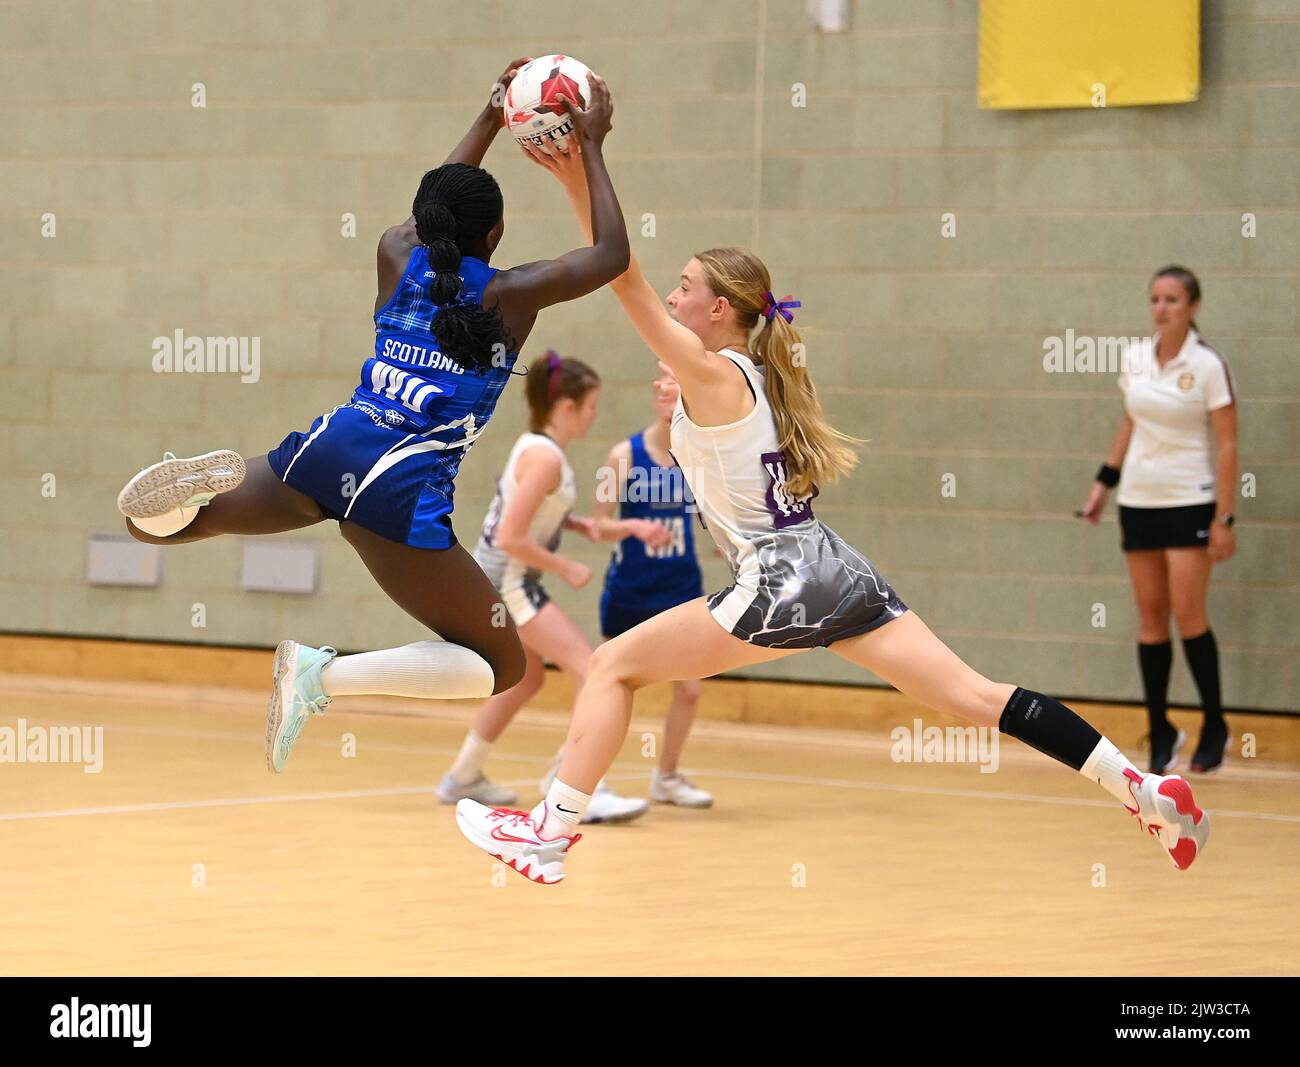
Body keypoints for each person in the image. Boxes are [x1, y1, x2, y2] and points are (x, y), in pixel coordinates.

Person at [454, 144, 1211, 885]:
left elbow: (620, 272)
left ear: (718, 310)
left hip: (782, 577)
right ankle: (1140, 789)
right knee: (979, 695)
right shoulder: (749, 371)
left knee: (614, 666)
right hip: (833, 567)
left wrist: (586, 162)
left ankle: (548, 834)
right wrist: (581, 171)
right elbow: (622, 267)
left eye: (686, 288)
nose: (675, 297)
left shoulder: (713, 372)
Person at [115, 63, 631, 774]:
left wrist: (486, 115)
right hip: (393, 489)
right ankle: (318, 676)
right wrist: (594, 142)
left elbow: (433, 205)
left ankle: (191, 492)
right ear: (497, 233)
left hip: (330, 444)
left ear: (424, 219)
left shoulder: (395, 253)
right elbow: (611, 254)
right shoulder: (511, 295)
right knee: (501, 662)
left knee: (155, 526)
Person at [436, 351, 663, 823]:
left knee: (530, 678)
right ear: (566, 407)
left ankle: (462, 777)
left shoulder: (537, 448)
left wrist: (621, 528)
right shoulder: (545, 459)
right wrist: (565, 567)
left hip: (500, 581)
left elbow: (542, 519)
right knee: (593, 670)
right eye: (592, 406)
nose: (595, 415)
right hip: (508, 584)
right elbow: (510, 537)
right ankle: (578, 784)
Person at [1079, 266, 1238, 775]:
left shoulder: (1208, 365)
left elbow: (1229, 443)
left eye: (1172, 299)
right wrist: (1104, 485)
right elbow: (1130, 421)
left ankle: (1215, 724)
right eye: (1155, 299)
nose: (1161, 308)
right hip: (1139, 502)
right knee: (1150, 619)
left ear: (1192, 306)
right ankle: (1162, 729)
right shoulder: (1135, 358)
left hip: (1189, 499)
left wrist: (1224, 517)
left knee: (1189, 617)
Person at [591, 370, 712, 808]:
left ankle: (667, 776)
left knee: (691, 688)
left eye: (672, 379)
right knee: (610, 685)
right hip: (631, 590)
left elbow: (713, 521)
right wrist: (632, 526)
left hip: (682, 587)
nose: (661, 387)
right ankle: (591, 780)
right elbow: (597, 525)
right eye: (657, 380)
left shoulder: (698, 458)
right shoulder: (623, 455)